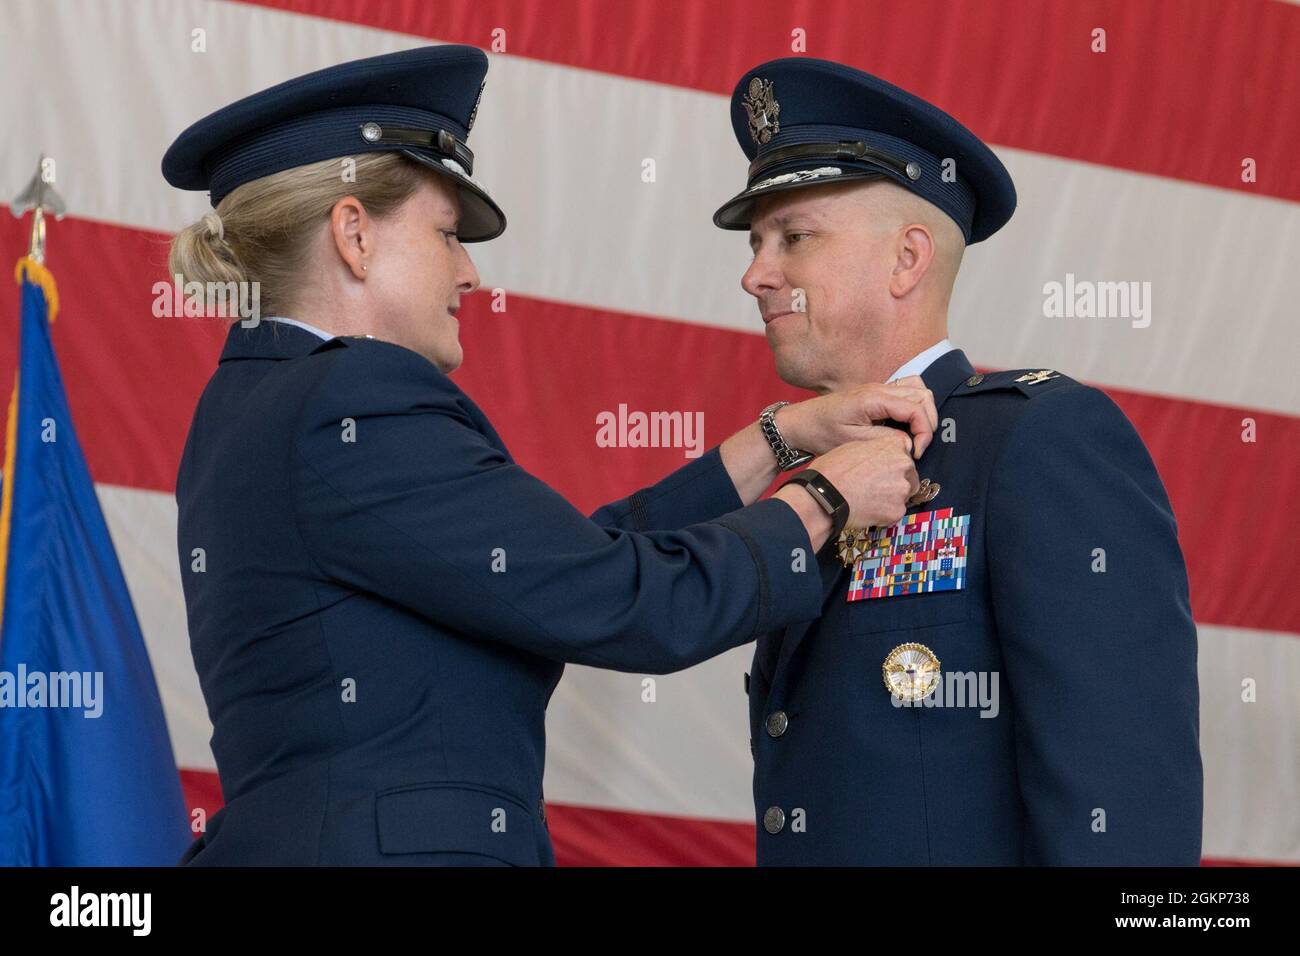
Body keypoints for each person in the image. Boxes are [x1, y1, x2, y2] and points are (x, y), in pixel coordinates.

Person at [160, 45, 937, 865]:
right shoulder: (352, 395)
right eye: (447, 233)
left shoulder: (255, 401)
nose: (467, 271)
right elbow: (624, 600)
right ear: (353, 235)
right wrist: (822, 499)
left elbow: (560, 569)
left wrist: (777, 440)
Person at [709, 57, 1203, 864]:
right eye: (758, 242)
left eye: (793, 236)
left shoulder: (1041, 442)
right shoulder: (818, 470)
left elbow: (1122, 805)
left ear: (908, 260)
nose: (756, 273)